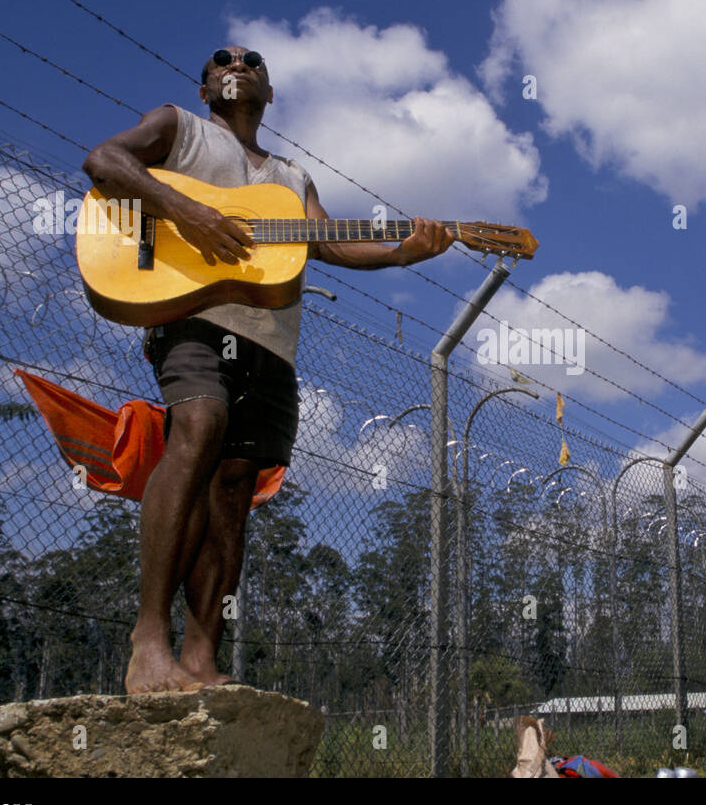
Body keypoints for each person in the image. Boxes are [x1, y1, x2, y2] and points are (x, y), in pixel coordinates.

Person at [82, 45, 454, 693]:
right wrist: (185, 211)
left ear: (269, 92)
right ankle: (148, 640)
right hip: (192, 317)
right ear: (204, 89)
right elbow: (104, 161)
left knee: (233, 493)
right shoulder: (180, 127)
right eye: (220, 59)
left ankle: (200, 656)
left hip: (271, 344)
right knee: (199, 424)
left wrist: (403, 254)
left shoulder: (290, 175)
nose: (236, 61)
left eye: (251, 59)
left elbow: (328, 241)